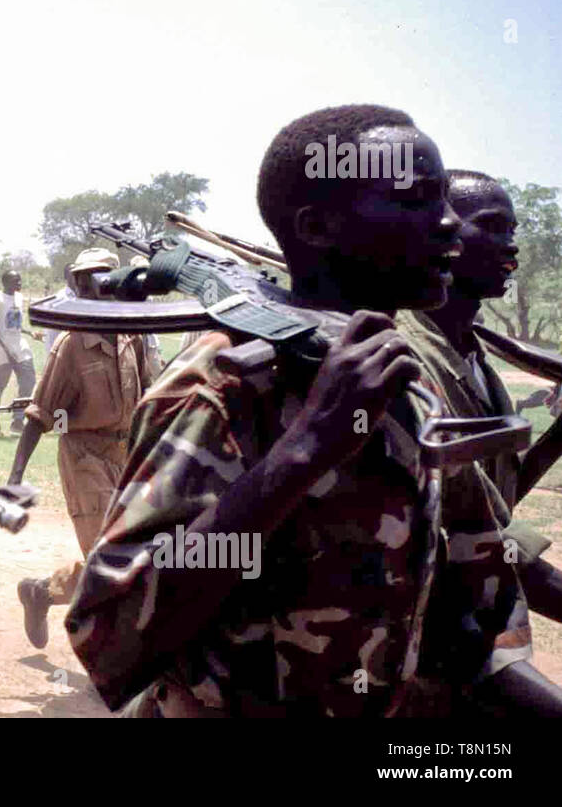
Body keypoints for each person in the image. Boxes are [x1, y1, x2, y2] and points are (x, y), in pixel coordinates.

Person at [67, 104, 562, 717]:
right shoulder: (226, 386)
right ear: (317, 227)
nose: (448, 227)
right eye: (414, 201)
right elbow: (107, 638)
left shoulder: (402, 385)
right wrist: (306, 449)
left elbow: (476, 604)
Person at [396, 170, 562, 627]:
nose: (510, 245)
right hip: (423, 642)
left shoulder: (473, 358)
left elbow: (488, 501)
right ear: (441, 229)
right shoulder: (408, 360)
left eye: (512, 230)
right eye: (490, 226)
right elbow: (484, 538)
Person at [12, 247, 158, 648]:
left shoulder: (134, 334)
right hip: (84, 456)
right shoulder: (72, 346)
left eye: (96, 277)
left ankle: (43, 591)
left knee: (126, 556)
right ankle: (112, 657)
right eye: (81, 278)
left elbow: (151, 398)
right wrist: (15, 477)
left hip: (125, 454)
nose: (88, 285)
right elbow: (40, 414)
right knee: (112, 561)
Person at [0, 270, 39, 438]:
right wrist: (7, 352)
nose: (20, 284)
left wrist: (30, 333)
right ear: (5, 282)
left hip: (19, 347)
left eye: (20, 280)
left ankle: (17, 421)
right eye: (16, 281)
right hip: (1, 349)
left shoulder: (19, 298)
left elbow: (14, 324)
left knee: (29, 381)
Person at [42, 264, 76, 356]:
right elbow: (50, 333)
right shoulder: (59, 299)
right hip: (62, 352)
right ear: (66, 276)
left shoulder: (84, 296)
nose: (75, 276)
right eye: (72, 273)